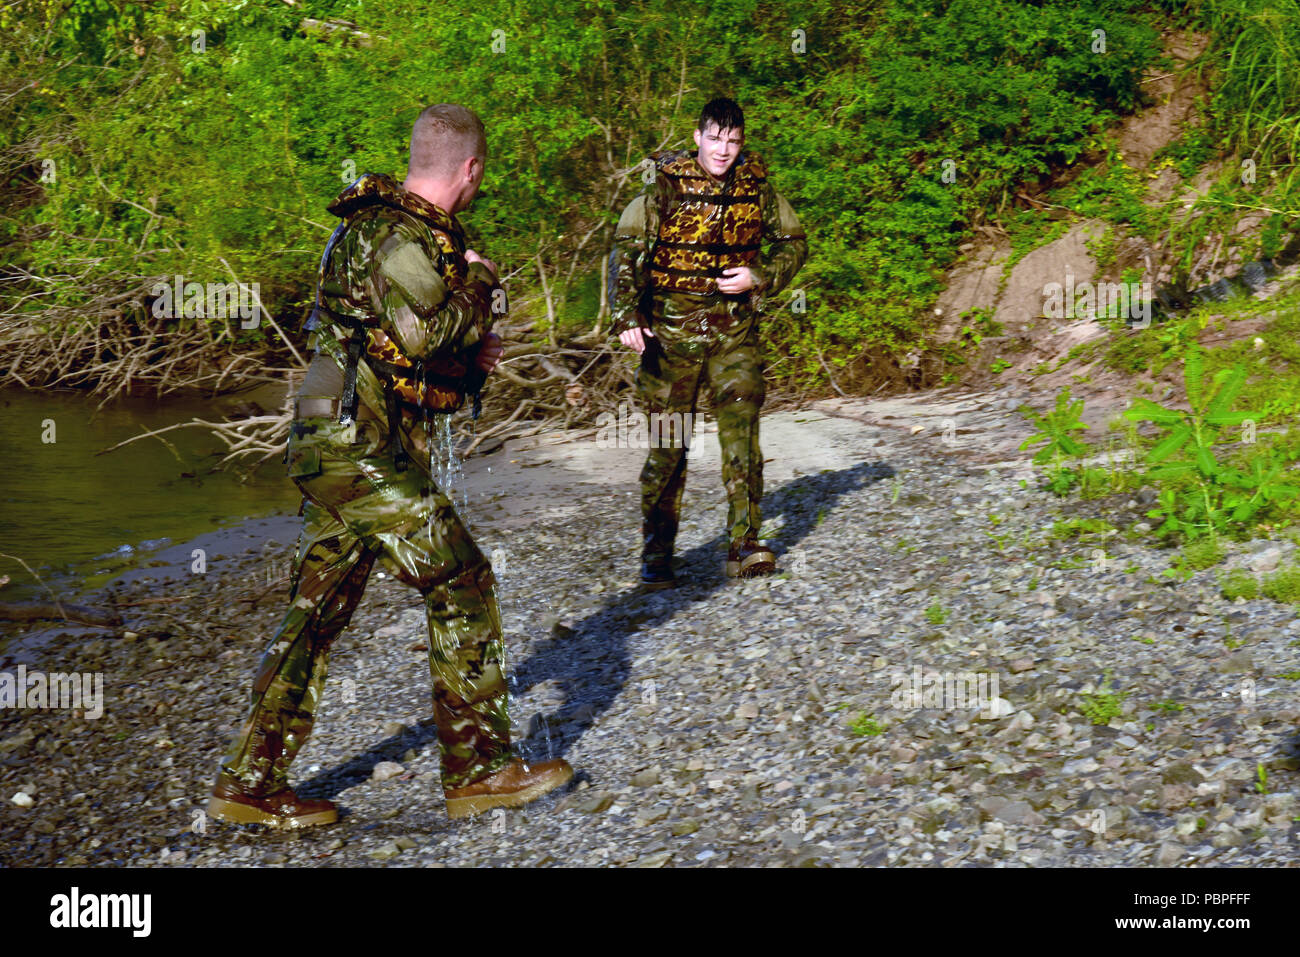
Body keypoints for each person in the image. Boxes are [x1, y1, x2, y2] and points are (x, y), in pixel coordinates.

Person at [208, 104, 572, 829]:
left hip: (337, 441)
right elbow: (428, 328)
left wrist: (471, 358)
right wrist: (479, 281)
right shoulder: (392, 234)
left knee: (316, 613)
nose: (478, 188)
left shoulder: (374, 229)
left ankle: (248, 783)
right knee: (461, 574)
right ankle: (479, 769)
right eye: (481, 176)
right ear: (468, 169)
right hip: (354, 446)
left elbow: (412, 349)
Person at [609, 96, 808, 588]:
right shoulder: (663, 187)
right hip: (671, 336)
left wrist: (759, 276)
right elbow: (626, 249)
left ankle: (744, 544)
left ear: (741, 143)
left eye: (733, 141)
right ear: (697, 137)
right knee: (669, 447)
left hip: (733, 333)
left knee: (742, 433)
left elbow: (794, 243)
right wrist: (625, 314)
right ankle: (656, 556)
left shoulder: (756, 189)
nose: (723, 150)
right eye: (715, 139)